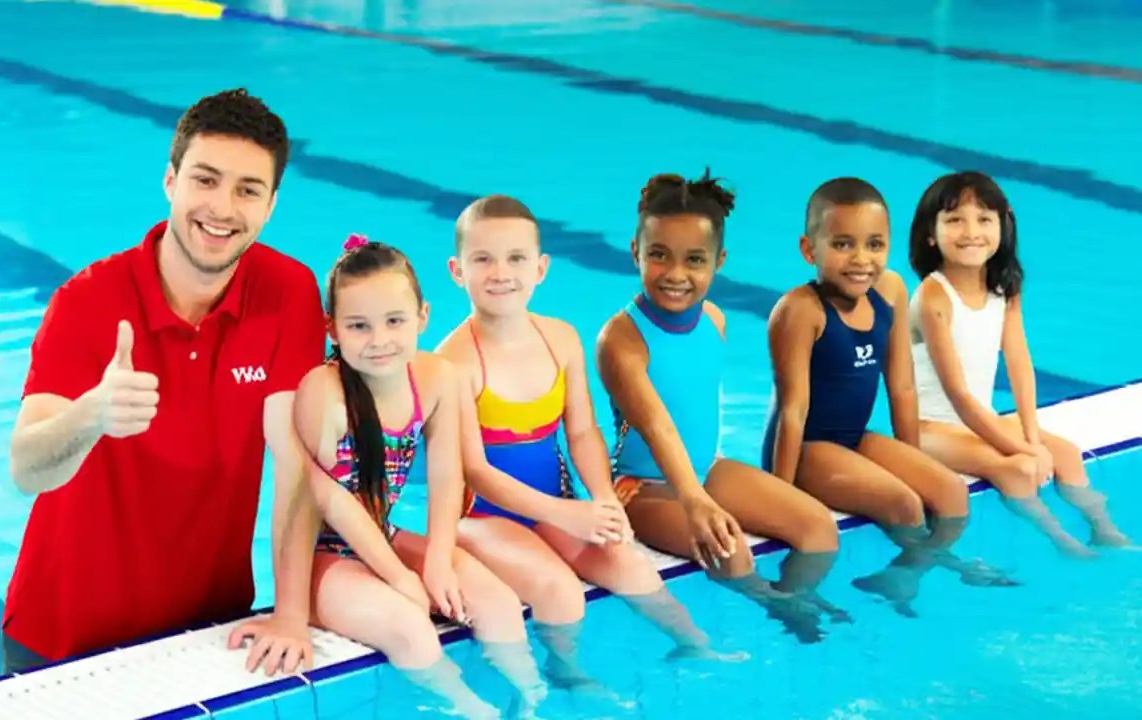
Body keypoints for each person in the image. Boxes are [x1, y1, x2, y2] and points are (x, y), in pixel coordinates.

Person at [6, 89, 326, 674]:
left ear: (271, 204)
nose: (222, 208)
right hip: (64, 635)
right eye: (205, 180)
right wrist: (92, 415)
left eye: (247, 190)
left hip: (211, 630)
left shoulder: (288, 294)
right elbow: (27, 470)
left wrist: (291, 612)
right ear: (170, 182)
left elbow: (297, 465)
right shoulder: (88, 302)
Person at [436, 195, 725, 687]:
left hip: (555, 505)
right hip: (482, 517)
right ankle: (569, 678)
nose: (500, 272)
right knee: (560, 591)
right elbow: (475, 472)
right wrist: (565, 513)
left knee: (629, 565)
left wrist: (606, 504)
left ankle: (695, 647)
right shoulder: (453, 362)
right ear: (457, 271)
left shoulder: (561, 338)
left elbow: (583, 431)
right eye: (482, 259)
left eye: (516, 258)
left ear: (542, 268)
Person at [284, 235, 546, 719]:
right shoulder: (323, 393)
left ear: (423, 316)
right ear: (333, 329)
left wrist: (440, 561)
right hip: (326, 557)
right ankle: (473, 711)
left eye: (395, 321)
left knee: (497, 602)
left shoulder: (437, 377)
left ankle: (532, 701)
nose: (379, 340)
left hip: (385, 535)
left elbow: (448, 482)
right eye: (358, 326)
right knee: (410, 627)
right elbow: (335, 506)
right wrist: (399, 575)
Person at [596, 170, 845, 643]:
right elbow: (659, 428)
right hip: (641, 488)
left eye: (694, 260)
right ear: (635, 252)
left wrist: (703, 492)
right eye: (658, 255)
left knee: (818, 529)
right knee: (730, 552)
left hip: (705, 469)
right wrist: (696, 502)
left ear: (719, 261)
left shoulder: (714, 319)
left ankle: (790, 605)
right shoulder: (621, 340)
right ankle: (780, 609)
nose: (675, 274)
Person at [763, 177, 987, 616]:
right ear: (810, 250)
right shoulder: (799, 311)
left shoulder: (891, 291)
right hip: (807, 448)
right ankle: (789, 597)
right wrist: (782, 499)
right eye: (843, 244)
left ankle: (904, 573)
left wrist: (914, 463)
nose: (861, 259)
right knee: (902, 502)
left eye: (874, 244)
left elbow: (901, 387)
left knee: (949, 493)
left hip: (853, 437)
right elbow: (793, 412)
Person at [908, 170, 1130, 555]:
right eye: (955, 220)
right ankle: (1063, 543)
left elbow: (1019, 361)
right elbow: (958, 394)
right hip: (929, 430)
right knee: (1018, 468)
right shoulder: (933, 297)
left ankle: (1104, 530)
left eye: (983, 219)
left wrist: (1030, 433)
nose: (971, 231)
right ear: (931, 233)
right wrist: (1023, 451)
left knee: (1065, 452)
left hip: (979, 421)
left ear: (1003, 224)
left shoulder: (1004, 286)